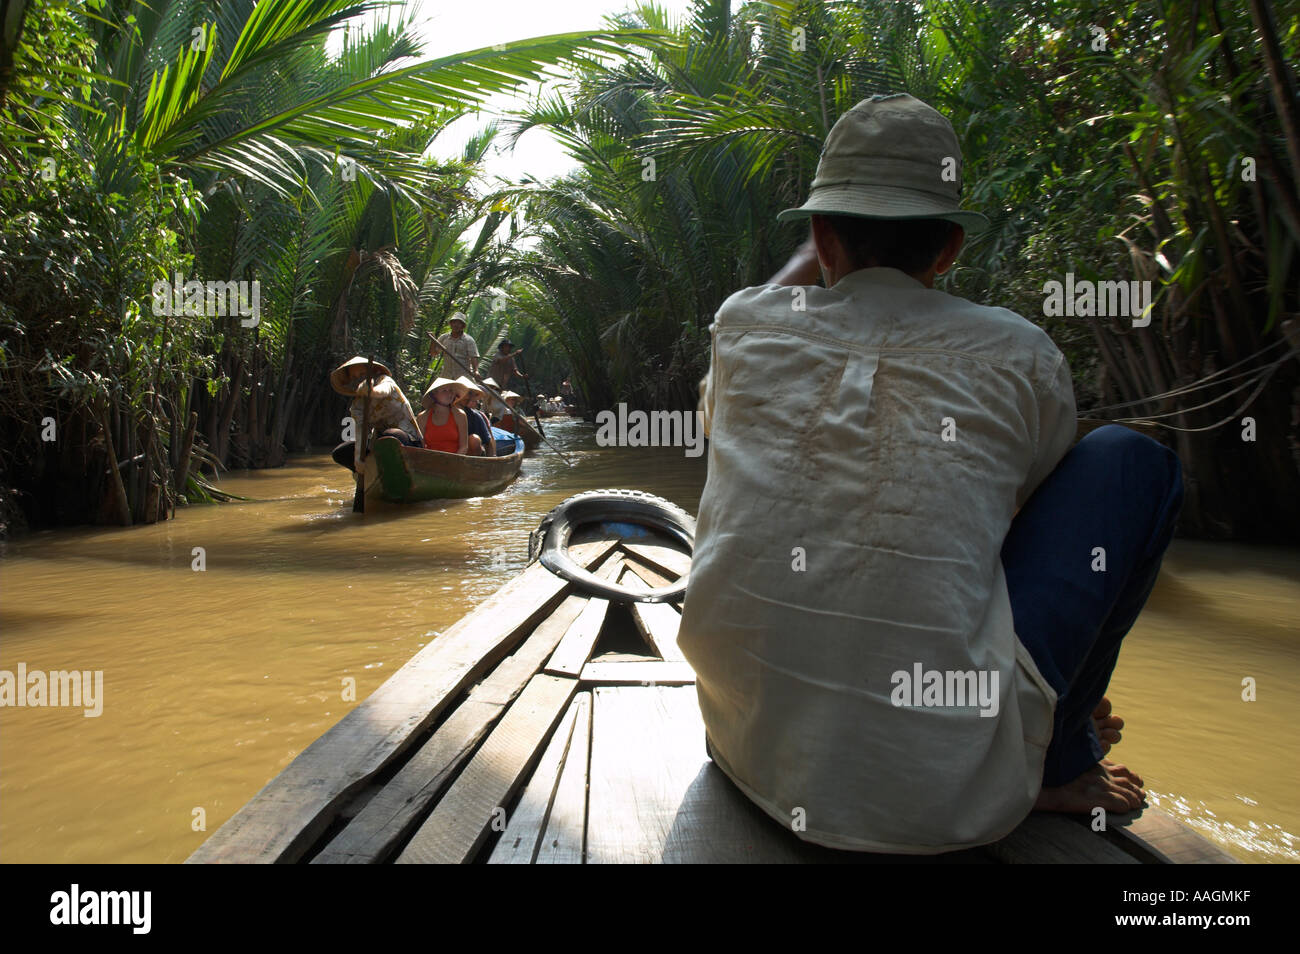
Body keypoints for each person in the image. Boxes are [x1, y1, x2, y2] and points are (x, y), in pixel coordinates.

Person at [676, 93, 1183, 854]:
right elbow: (1025, 514)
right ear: (949, 249)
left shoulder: (744, 325)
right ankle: (1062, 751)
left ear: (820, 237)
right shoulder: (1018, 352)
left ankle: (1054, 721)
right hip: (942, 806)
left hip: (745, 749)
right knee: (1133, 462)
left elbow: (771, 318)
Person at [329, 356, 421, 472]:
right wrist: (358, 459)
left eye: (362, 374)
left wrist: (371, 391)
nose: (359, 379)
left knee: (389, 437)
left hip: (408, 441)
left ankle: (393, 472)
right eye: (354, 377)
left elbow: (385, 390)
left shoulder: (385, 380)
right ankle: (370, 474)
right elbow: (360, 431)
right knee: (341, 452)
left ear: (372, 372)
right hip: (380, 444)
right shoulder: (357, 406)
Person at [416, 378, 469, 455]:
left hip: (455, 461)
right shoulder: (422, 417)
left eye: (451, 390)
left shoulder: (460, 415)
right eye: (444, 391)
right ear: (434, 394)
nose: (449, 394)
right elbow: (420, 445)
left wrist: (451, 462)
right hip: (429, 461)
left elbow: (464, 447)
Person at [455, 376, 496, 456]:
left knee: (474, 440)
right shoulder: (443, 411)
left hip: (470, 456)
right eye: (465, 392)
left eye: (470, 393)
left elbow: (488, 443)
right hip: (449, 452)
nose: (468, 397)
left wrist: (492, 460)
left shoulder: (475, 416)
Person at [431, 312, 479, 379]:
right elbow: (434, 353)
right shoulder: (444, 338)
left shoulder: (469, 340)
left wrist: (476, 371)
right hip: (447, 375)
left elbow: (473, 357)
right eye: (454, 322)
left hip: (463, 377)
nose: (456, 325)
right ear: (450, 324)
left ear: (463, 326)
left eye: (459, 323)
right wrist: (433, 341)